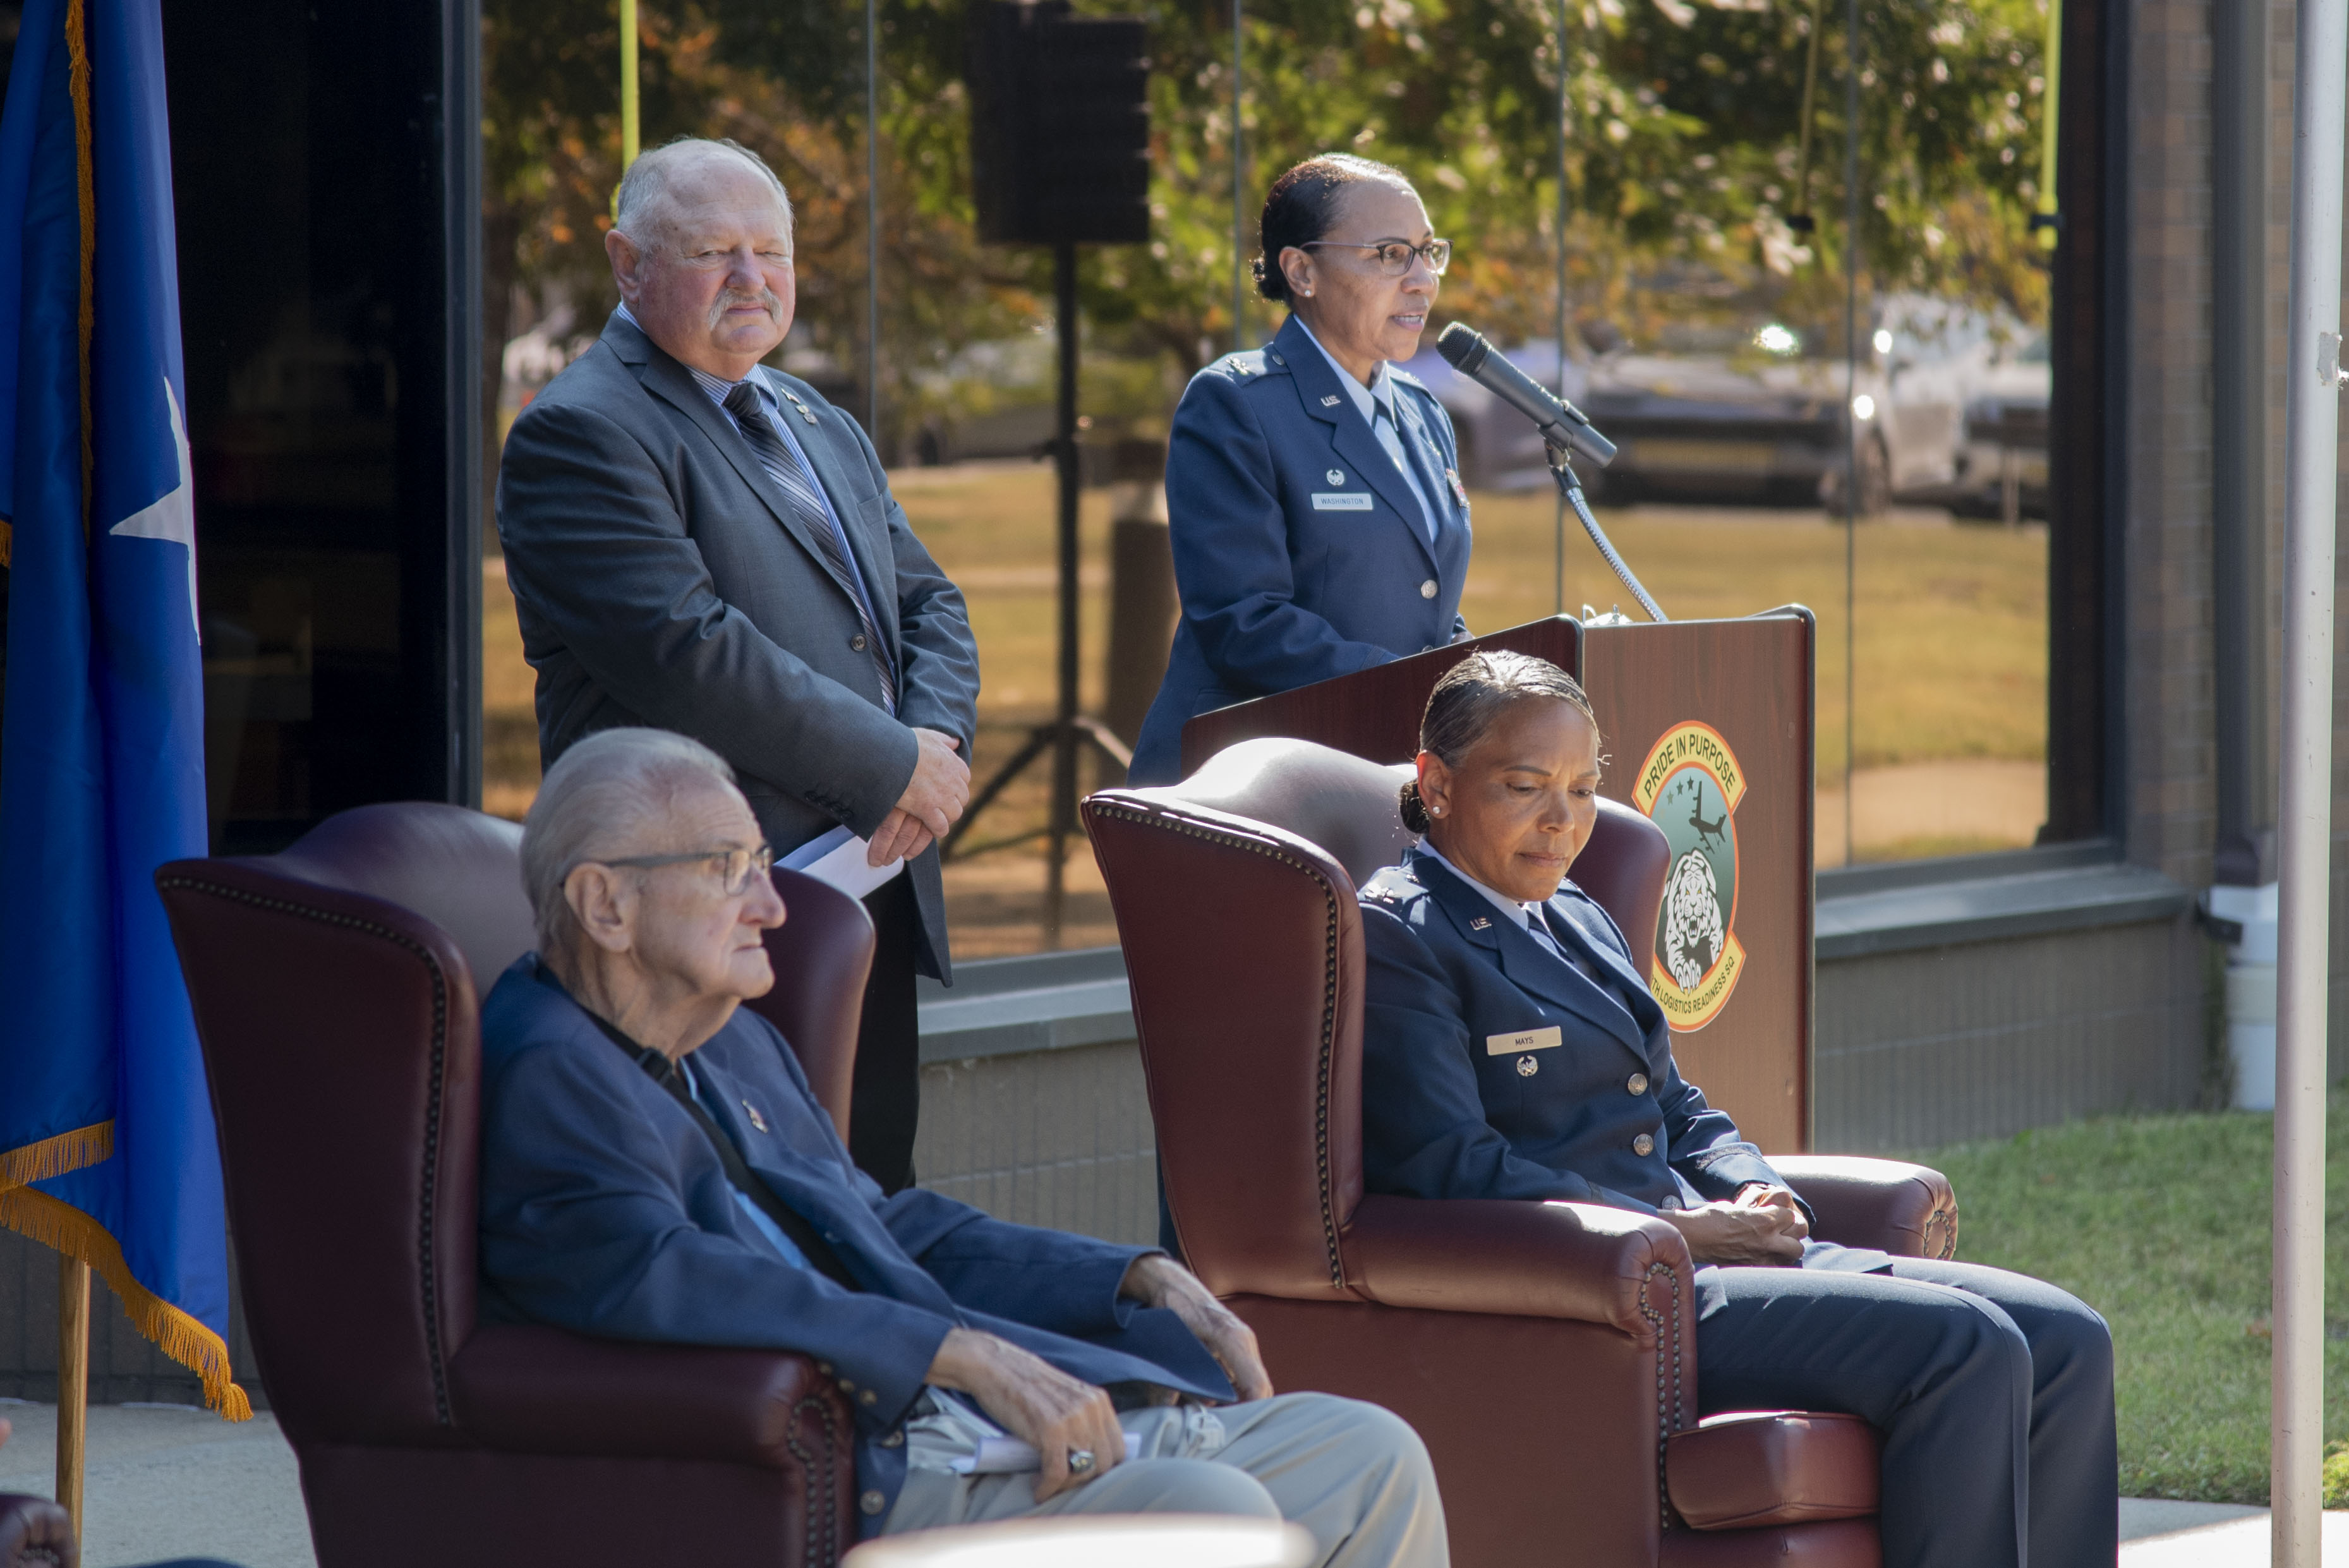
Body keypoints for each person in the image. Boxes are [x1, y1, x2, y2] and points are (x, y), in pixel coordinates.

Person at [475, 727, 1448, 1563]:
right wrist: (954, 1353)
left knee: (1369, 1454)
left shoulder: (722, 1034)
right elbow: (658, 1275)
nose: (771, 905)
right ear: (606, 905)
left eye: (764, 865)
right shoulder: (551, 1067)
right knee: (1216, 1515)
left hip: (955, 1431)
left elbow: (886, 1224)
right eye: (728, 870)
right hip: (855, 1461)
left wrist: (1140, 1274)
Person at [1353, 651, 2116, 1568]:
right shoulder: (1403, 934)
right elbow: (1453, 1167)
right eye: (1525, 787)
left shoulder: (1577, 915)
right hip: (1614, 1286)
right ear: (1435, 784)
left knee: (2068, 1338)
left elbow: (1675, 1104)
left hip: (1704, 1252)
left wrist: (1756, 1191)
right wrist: (1682, 1231)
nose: (1562, 821)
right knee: (1965, 1344)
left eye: (1584, 789)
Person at [495, 136, 979, 1195]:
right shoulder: (582, 431)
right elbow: (686, 654)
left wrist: (932, 745)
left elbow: (925, 601)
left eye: (773, 251)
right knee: (743, 1209)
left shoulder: (813, 418)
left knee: (870, 1188)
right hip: (692, 913)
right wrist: (890, 765)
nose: (753, 280)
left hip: (862, 882)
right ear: (628, 265)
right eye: (716, 252)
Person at [1128, 154, 1470, 785]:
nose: (1422, 279)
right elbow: (1243, 621)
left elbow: (1425, 608)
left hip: (1383, 768)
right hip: (1251, 779)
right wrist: (1420, 690)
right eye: (1391, 254)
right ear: (1302, 270)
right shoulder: (1237, 403)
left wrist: (1484, 681)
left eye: (1428, 251)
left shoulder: (1423, 414)